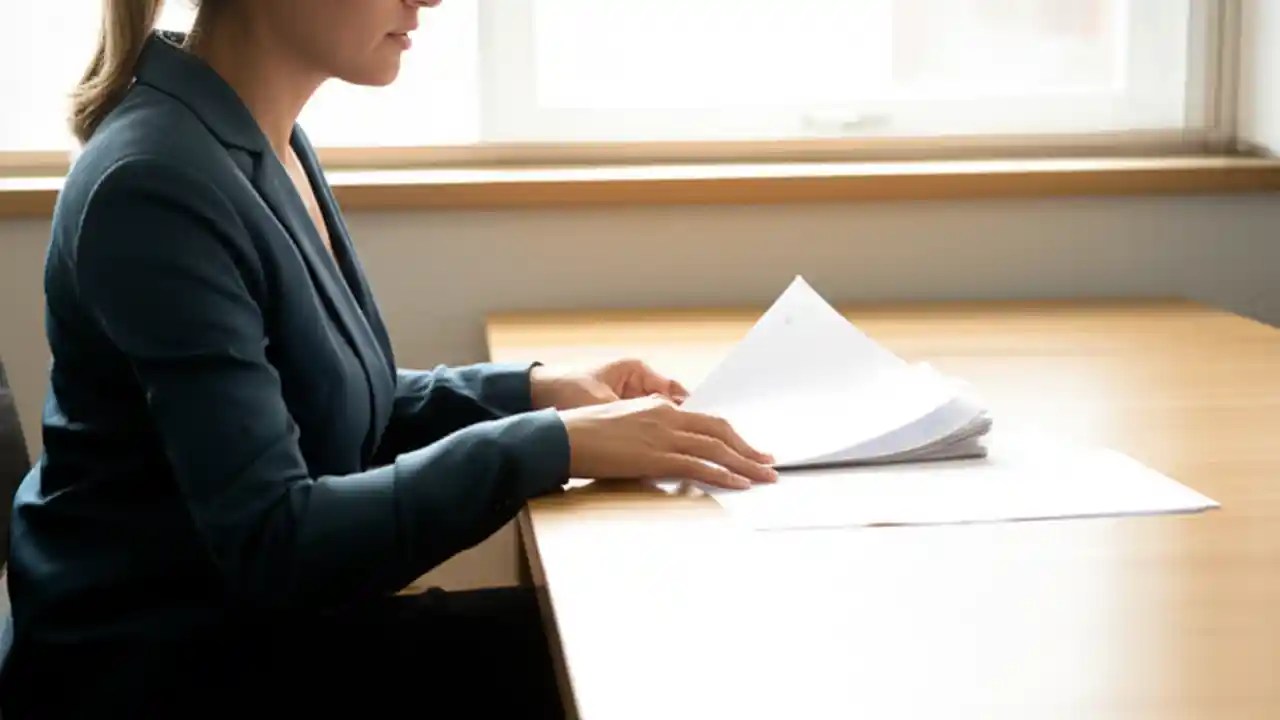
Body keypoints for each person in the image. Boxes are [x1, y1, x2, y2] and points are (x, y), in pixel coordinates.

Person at [0, 0, 778, 717]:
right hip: (159, 672)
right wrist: (556, 445)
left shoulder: (255, 136)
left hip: (245, 630)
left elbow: (327, 404)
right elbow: (276, 544)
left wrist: (540, 394)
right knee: (636, 662)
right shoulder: (155, 183)